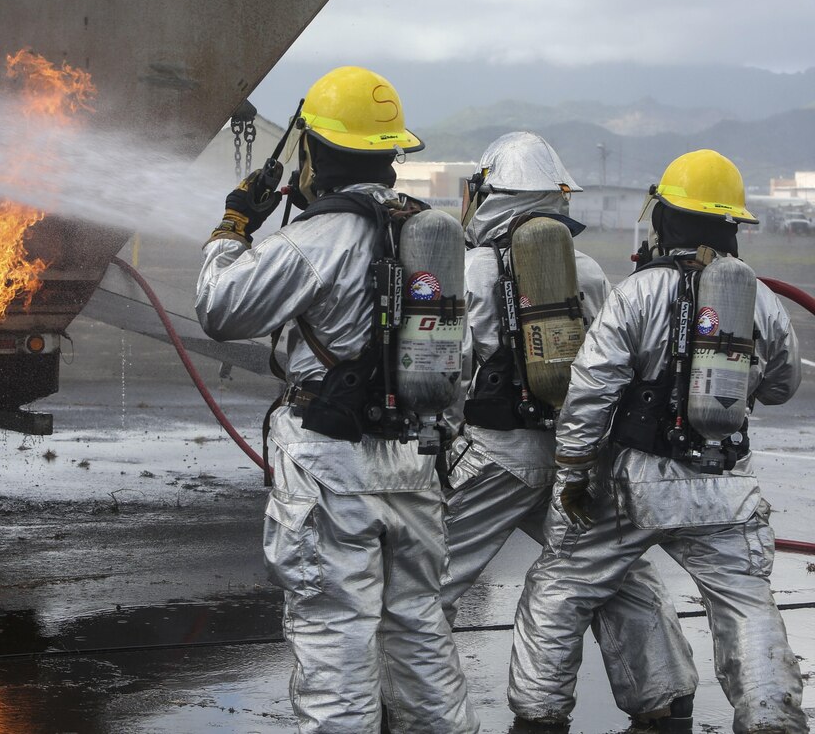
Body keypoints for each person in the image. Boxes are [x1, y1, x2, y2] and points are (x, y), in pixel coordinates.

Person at [195, 66, 478, 733]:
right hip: (414, 460)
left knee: (337, 637)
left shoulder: (316, 238)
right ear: (388, 155)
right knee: (420, 632)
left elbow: (219, 307)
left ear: (316, 153)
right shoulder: (435, 240)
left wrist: (234, 225)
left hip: (331, 462)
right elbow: (459, 358)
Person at [507, 149, 807, 733]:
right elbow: (781, 386)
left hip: (634, 484)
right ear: (730, 225)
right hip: (724, 486)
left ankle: (540, 719)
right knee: (747, 605)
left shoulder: (639, 293)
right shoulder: (761, 302)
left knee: (559, 590)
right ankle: (772, 720)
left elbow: (591, 390)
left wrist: (572, 469)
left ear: (666, 217)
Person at [446, 132, 699, 732]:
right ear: (555, 197)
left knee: (429, 574)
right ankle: (664, 698)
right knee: (617, 575)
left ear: (490, 194)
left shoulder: (471, 268)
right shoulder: (585, 270)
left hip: (497, 456)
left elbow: (450, 370)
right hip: (572, 456)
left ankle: (403, 701)